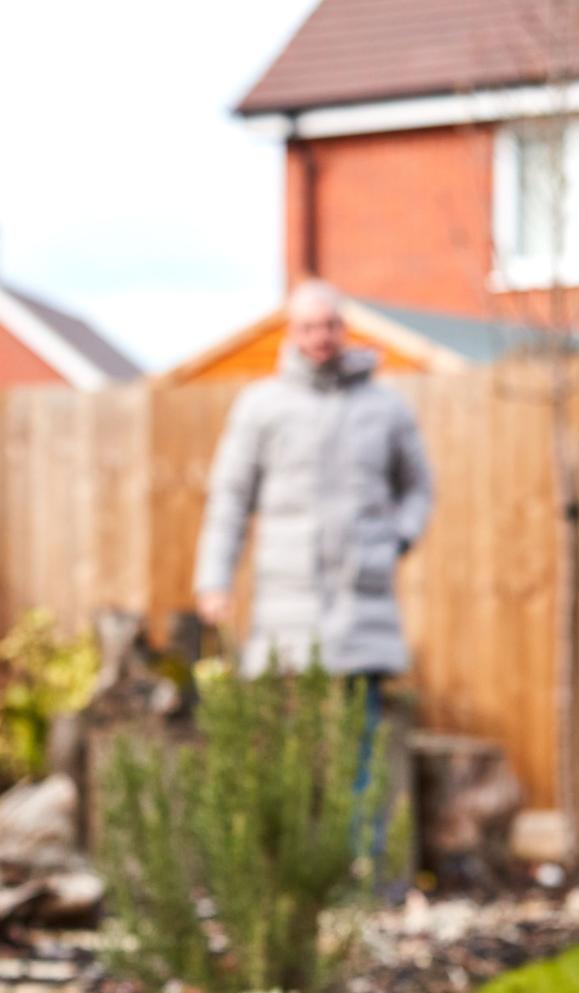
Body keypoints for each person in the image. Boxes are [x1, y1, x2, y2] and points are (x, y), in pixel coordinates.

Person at [191, 280, 434, 881]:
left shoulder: (386, 408)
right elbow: (229, 500)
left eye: (329, 325)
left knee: (362, 739)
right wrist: (214, 580)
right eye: (307, 327)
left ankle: (365, 872)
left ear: (342, 330)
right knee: (287, 743)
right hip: (286, 604)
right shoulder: (261, 406)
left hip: (363, 599)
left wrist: (396, 540)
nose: (320, 337)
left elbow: (419, 488)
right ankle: (292, 874)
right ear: (291, 335)